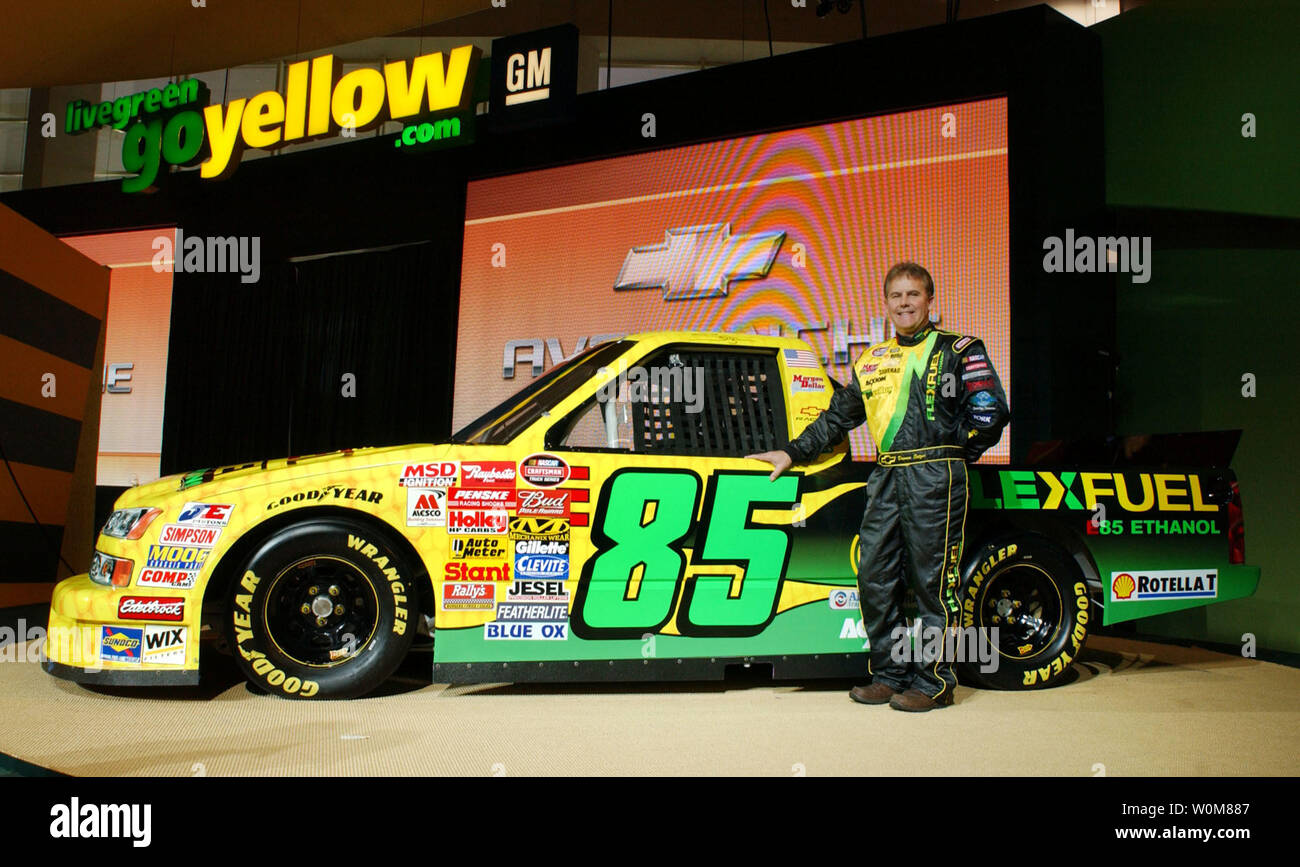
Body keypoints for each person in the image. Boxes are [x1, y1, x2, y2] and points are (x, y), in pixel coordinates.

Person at [748, 262, 1009, 711]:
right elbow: (836, 418)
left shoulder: (960, 349)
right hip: (886, 476)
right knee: (874, 578)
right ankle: (889, 675)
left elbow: (990, 411)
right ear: (885, 303)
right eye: (896, 296)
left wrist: (951, 453)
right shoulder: (871, 360)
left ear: (931, 300)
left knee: (932, 584)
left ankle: (934, 683)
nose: (905, 303)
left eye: (913, 295)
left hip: (935, 475)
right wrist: (791, 452)